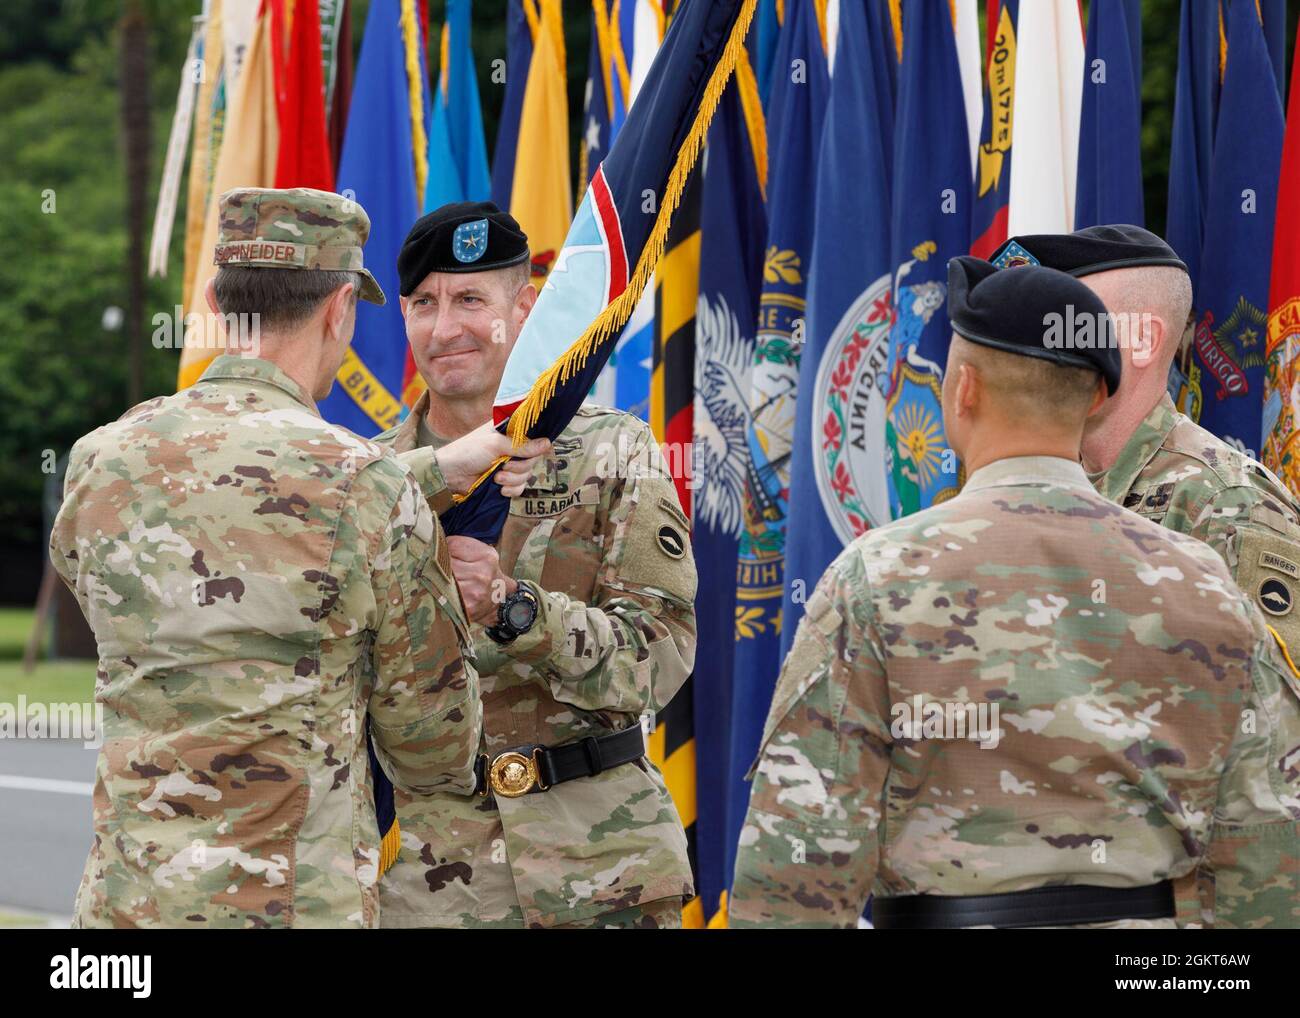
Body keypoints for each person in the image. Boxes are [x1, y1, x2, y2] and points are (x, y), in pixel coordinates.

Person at [728, 256, 1300, 929]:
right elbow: (1266, 849)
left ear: (963, 390)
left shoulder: (876, 581)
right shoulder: (1205, 583)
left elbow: (795, 868)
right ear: (1095, 399)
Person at [50, 187, 516, 927]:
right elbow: (434, 748)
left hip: (125, 909)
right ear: (339, 309)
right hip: (292, 904)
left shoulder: (99, 460)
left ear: (215, 299)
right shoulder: (367, 486)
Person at [375, 201, 697, 929]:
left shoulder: (612, 452)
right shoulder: (371, 477)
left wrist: (517, 609)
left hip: (599, 864)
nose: (445, 326)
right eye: (424, 303)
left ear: (523, 309)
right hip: (425, 883)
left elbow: (661, 659)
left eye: (469, 300)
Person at [990, 225, 1300, 648]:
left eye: (1065, 324)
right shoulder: (1041, 485)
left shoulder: (1226, 503)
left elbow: (1273, 705)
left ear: (1143, 340)